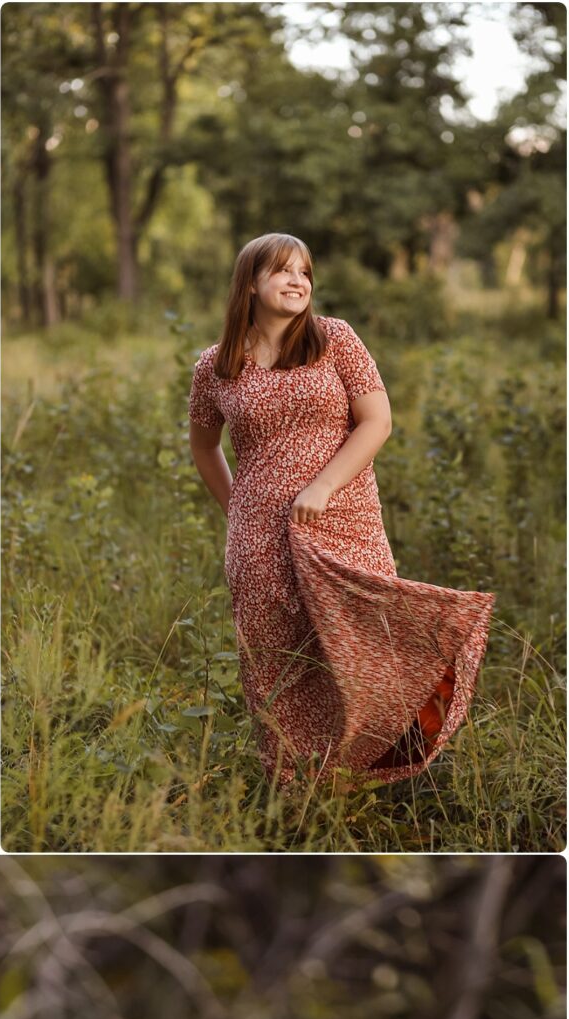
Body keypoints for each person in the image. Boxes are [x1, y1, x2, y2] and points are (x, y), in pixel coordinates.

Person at [187, 230, 493, 789]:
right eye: (282, 270)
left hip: (345, 518)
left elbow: (378, 422)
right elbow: (204, 447)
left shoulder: (336, 340)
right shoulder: (217, 365)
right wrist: (240, 511)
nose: (297, 281)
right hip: (259, 536)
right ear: (250, 284)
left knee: (369, 641)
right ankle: (298, 784)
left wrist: (323, 486)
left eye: (305, 272)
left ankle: (383, 774)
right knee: (277, 660)